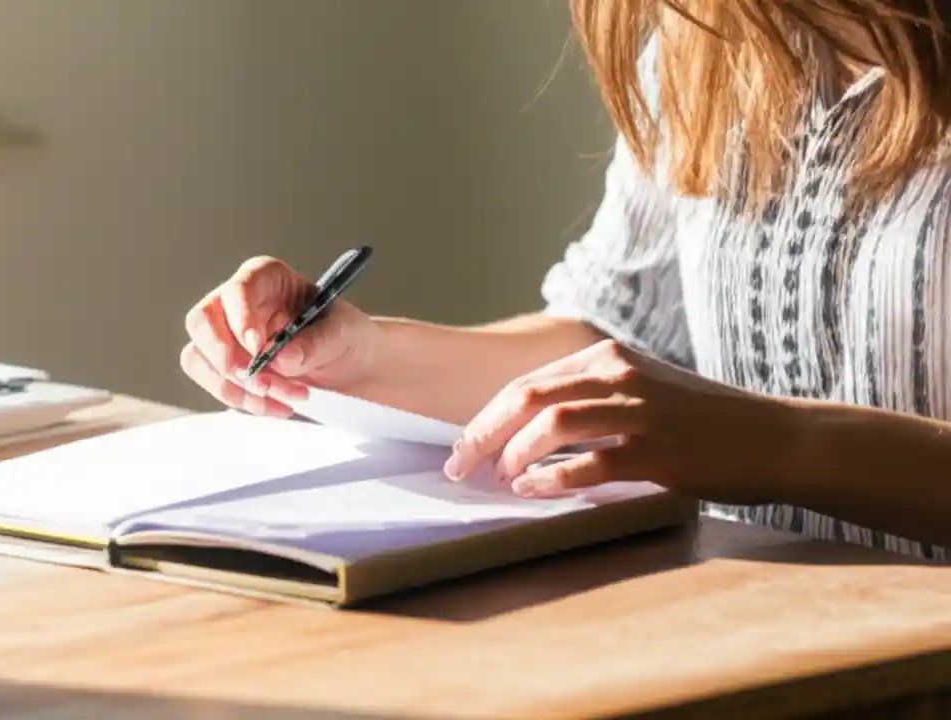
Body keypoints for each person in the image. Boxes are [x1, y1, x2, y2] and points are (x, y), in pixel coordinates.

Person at [181, 0, 951, 560]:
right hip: (759, 638)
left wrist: (785, 447)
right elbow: (614, 334)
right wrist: (367, 359)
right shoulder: (712, 50)